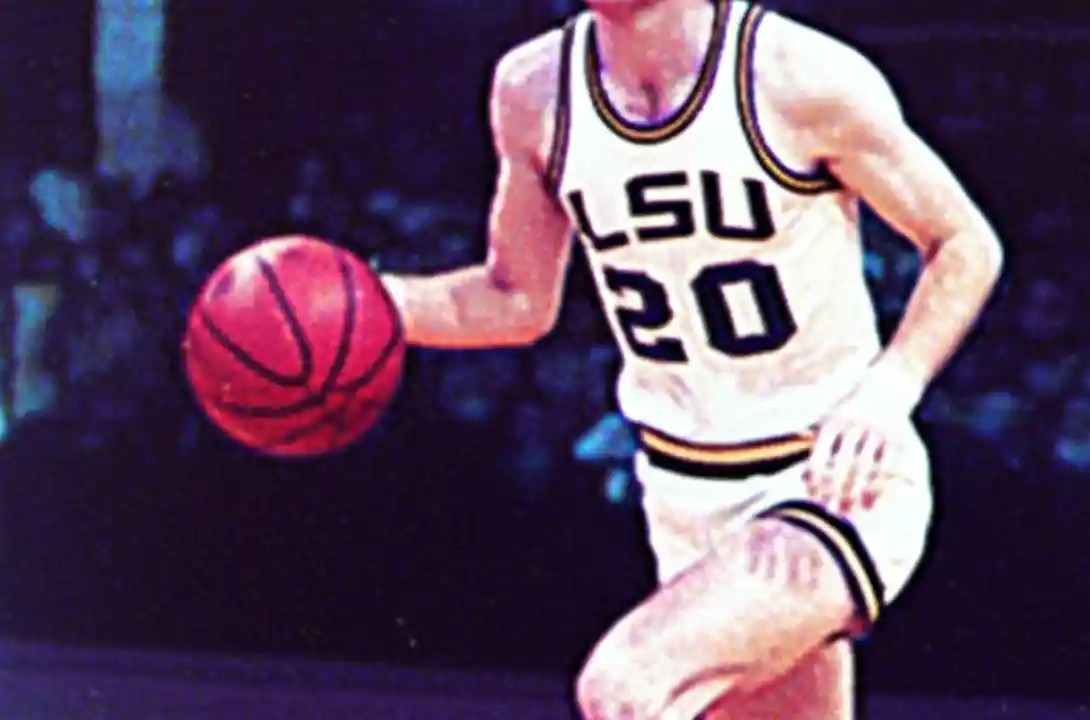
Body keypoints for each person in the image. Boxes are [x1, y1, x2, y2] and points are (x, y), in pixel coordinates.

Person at [381, 0, 1003, 716]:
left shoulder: (798, 76)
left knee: (625, 687)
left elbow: (964, 243)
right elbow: (516, 298)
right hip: (680, 489)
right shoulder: (533, 89)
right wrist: (366, 303)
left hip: (825, 479)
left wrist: (887, 391)